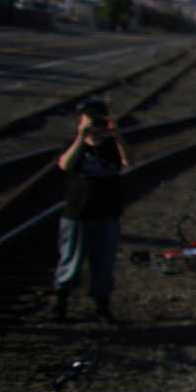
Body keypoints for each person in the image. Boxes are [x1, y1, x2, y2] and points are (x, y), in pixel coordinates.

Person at [53, 96, 130, 324]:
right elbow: (65, 165)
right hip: (76, 213)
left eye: (98, 118)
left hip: (107, 214)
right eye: (90, 118)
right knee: (70, 262)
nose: (94, 123)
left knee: (103, 264)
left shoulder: (111, 146)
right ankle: (60, 303)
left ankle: (102, 307)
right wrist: (81, 137)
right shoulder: (73, 144)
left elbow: (129, 161)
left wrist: (117, 136)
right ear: (80, 121)